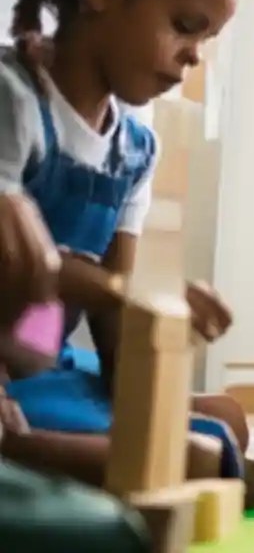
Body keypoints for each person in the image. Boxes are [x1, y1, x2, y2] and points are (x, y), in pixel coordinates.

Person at [0, 0, 254, 508]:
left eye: (207, 39)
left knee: (223, 426)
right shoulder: (14, 101)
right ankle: (27, 450)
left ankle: (141, 456)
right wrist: (121, 294)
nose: (194, 58)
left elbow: (110, 314)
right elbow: (33, 267)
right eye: (186, 27)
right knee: (189, 453)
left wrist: (152, 333)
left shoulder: (135, 148)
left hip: (44, 361)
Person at [0, 192, 151, 553]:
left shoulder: (135, 149)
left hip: (53, 362)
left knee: (220, 432)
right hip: (29, 374)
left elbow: (39, 343)